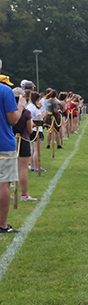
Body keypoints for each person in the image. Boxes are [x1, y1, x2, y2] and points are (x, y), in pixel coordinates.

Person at [0, 59, 24, 233]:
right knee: (3, 183)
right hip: (3, 143)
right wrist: (21, 106)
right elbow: (13, 120)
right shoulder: (5, 91)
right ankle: (2, 225)